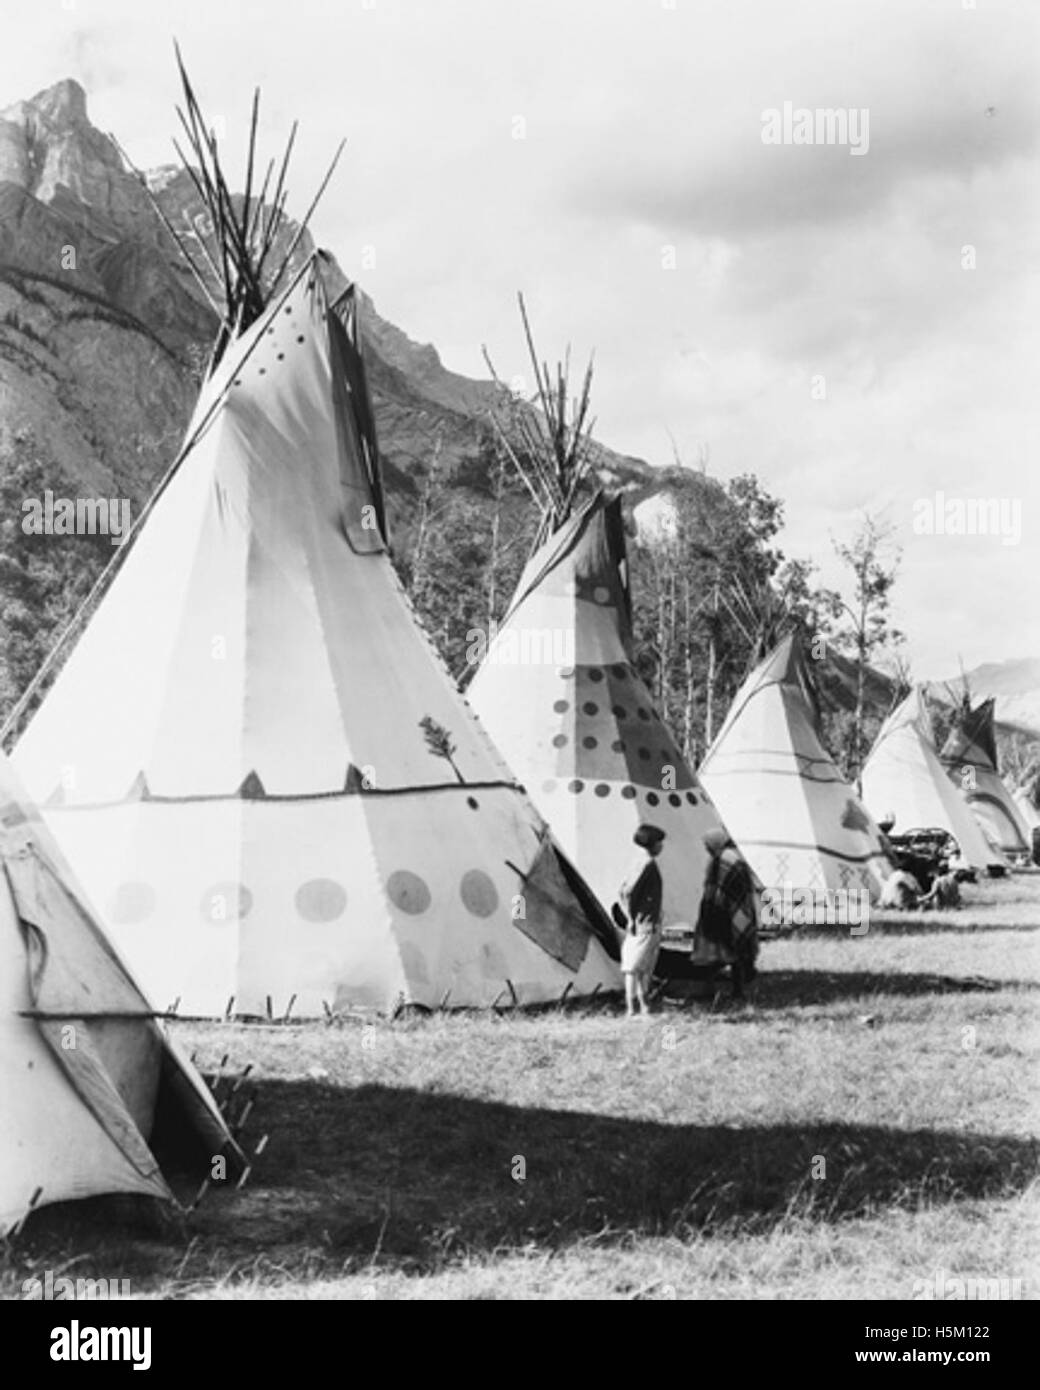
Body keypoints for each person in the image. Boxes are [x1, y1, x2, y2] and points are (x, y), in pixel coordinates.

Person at [696, 828, 759, 999]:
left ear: (715, 843)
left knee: (725, 950)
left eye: (707, 845)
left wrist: (717, 903)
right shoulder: (726, 858)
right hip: (729, 910)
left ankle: (723, 989)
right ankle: (732, 989)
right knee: (728, 949)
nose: (706, 848)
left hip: (726, 911)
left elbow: (725, 888)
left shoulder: (726, 860)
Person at [614, 823, 665, 1018]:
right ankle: (636, 1008)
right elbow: (627, 892)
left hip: (644, 921)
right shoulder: (647, 864)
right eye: (659, 842)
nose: (662, 846)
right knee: (637, 968)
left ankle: (639, 1007)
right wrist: (631, 918)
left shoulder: (639, 861)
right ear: (652, 843)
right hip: (645, 923)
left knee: (637, 967)